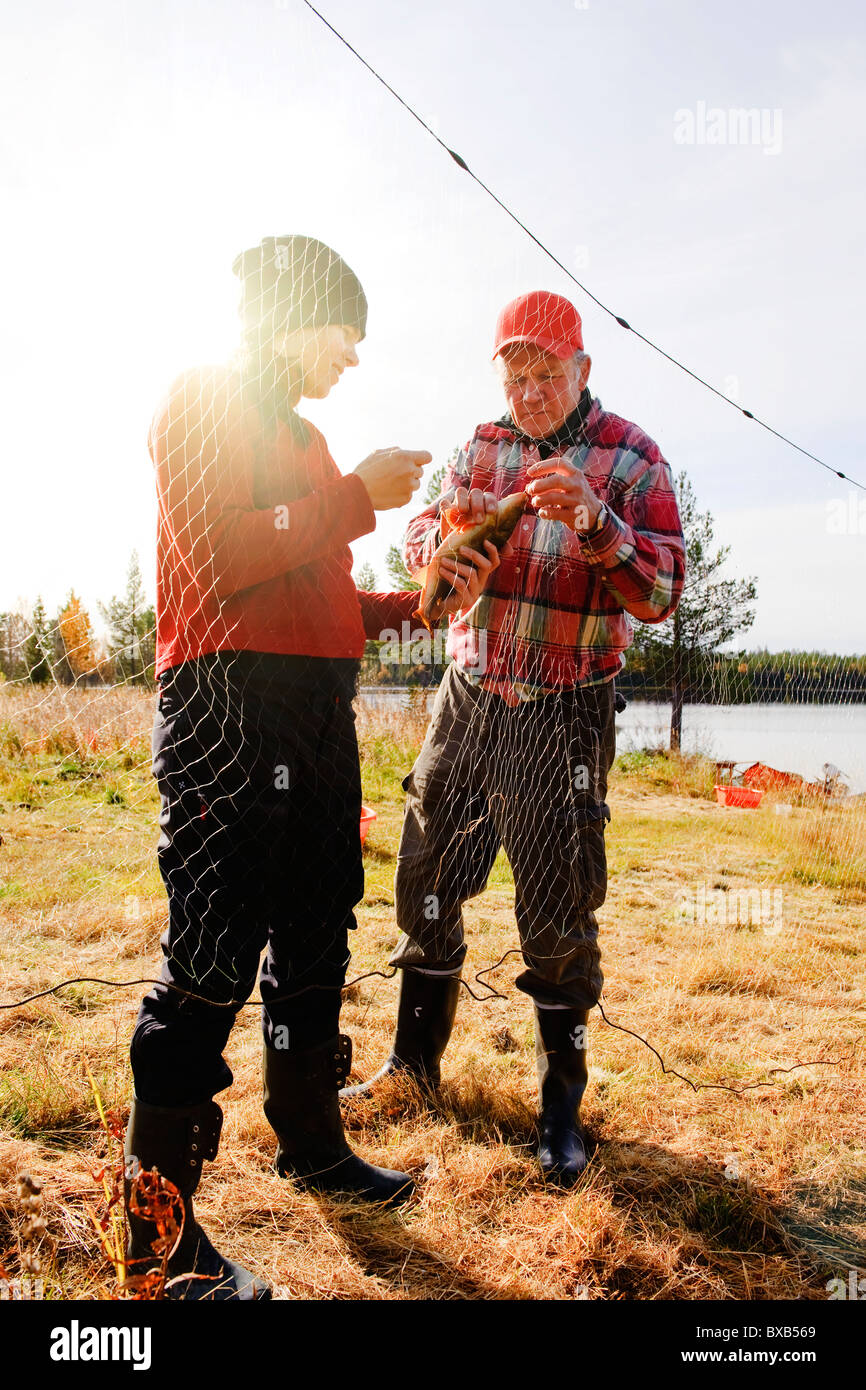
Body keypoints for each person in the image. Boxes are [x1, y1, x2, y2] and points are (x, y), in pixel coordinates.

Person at [123, 234, 498, 1300]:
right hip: (225, 705)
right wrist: (357, 501)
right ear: (293, 319)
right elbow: (221, 553)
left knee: (316, 918)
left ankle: (309, 1138)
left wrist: (416, 600)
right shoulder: (197, 399)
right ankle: (156, 1241)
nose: (352, 358)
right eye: (347, 333)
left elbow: (313, 592)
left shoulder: (303, 437)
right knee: (213, 941)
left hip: (314, 713)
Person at [342, 290, 685, 1187]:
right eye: (517, 374)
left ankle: (560, 1111)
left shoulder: (633, 458)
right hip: (470, 694)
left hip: (566, 703)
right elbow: (421, 526)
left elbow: (660, 595)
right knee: (423, 878)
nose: (531, 391)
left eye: (548, 372)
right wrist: (437, 547)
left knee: (557, 911)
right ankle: (413, 1068)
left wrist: (596, 523)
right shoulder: (478, 448)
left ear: (583, 370)